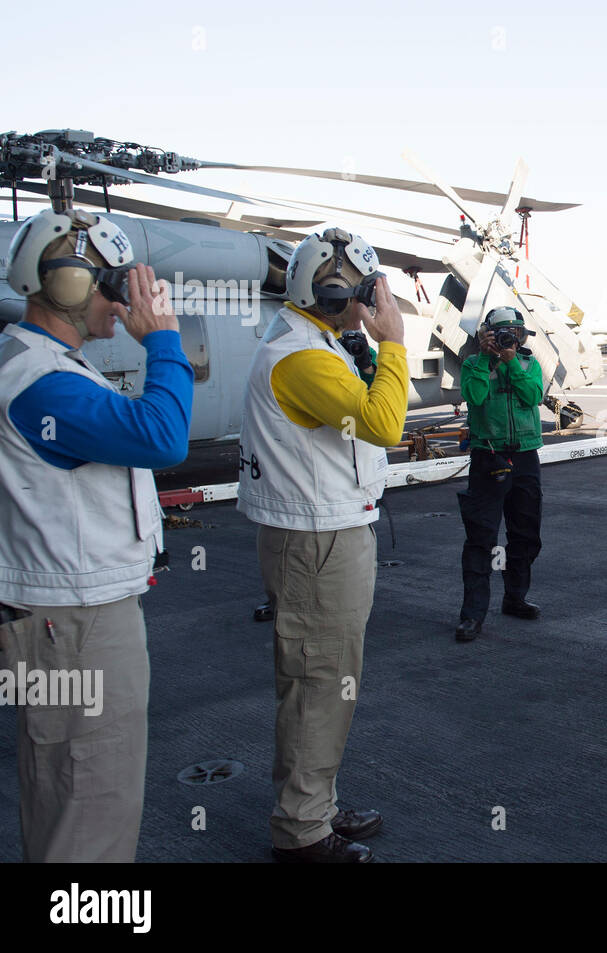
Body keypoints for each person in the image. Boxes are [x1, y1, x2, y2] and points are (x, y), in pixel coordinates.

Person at [0, 209, 192, 861]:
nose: (120, 304)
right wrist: (163, 338)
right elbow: (162, 436)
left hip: (60, 616)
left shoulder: (39, 363)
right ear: (67, 284)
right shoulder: (44, 383)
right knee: (91, 804)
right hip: (76, 625)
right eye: (108, 285)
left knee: (62, 796)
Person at [237, 227, 406, 862]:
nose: (376, 301)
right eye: (368, 292)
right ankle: (303, 832)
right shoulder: (303, 358)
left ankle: (315, 805)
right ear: (342, 294)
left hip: (323, 533)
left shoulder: (316, 344)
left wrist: (363, 343)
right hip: (317, 543)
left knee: (322, 679)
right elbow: (386, 423)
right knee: (319, 681)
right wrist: (391, 342)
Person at [454, 306, 545, 642]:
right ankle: (472, 615)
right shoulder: (473, 365)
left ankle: (515, 597)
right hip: (488, 456)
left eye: (516, 334)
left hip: (524, 456)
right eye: (503, 333)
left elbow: (533, 395)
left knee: (526, 534)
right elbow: (474, 396)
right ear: (487, 335)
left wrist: (509, 362)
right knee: (481, 537)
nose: (511, 339)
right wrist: (485, 359)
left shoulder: (527, 363)